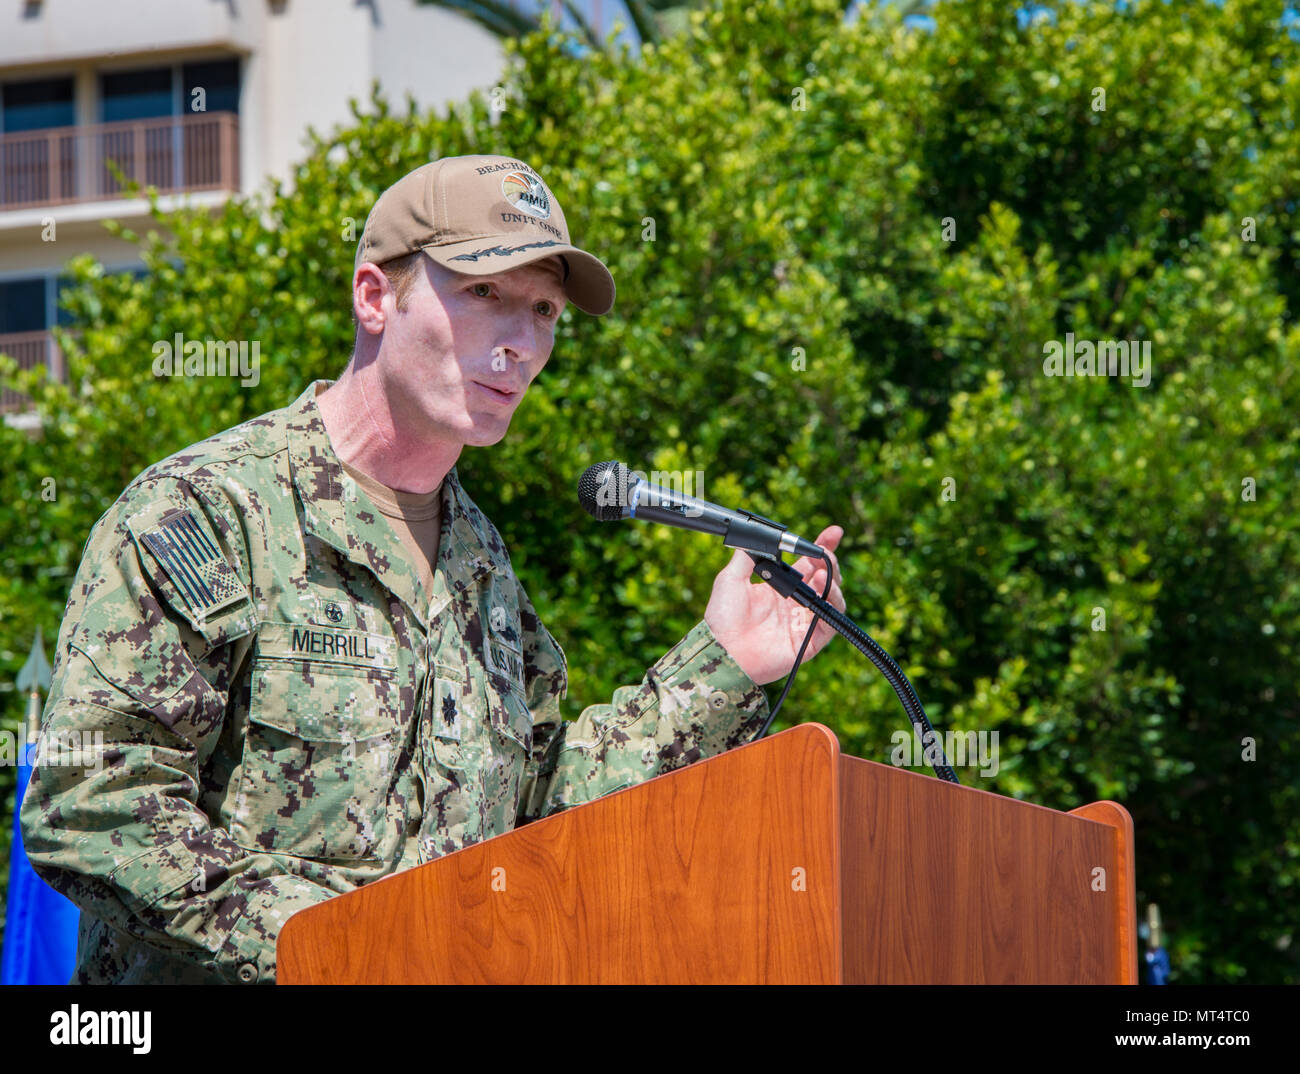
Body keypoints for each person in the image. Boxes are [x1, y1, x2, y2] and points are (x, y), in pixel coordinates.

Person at [21, 154, 845, 984]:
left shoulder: (480, 561)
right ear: (376, 297)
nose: (521, 344)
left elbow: (544, 818)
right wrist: (351, 951)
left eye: (546, 311)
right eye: (484, 294)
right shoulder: (207, 512)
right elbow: (94, 802)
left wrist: (727, 667)